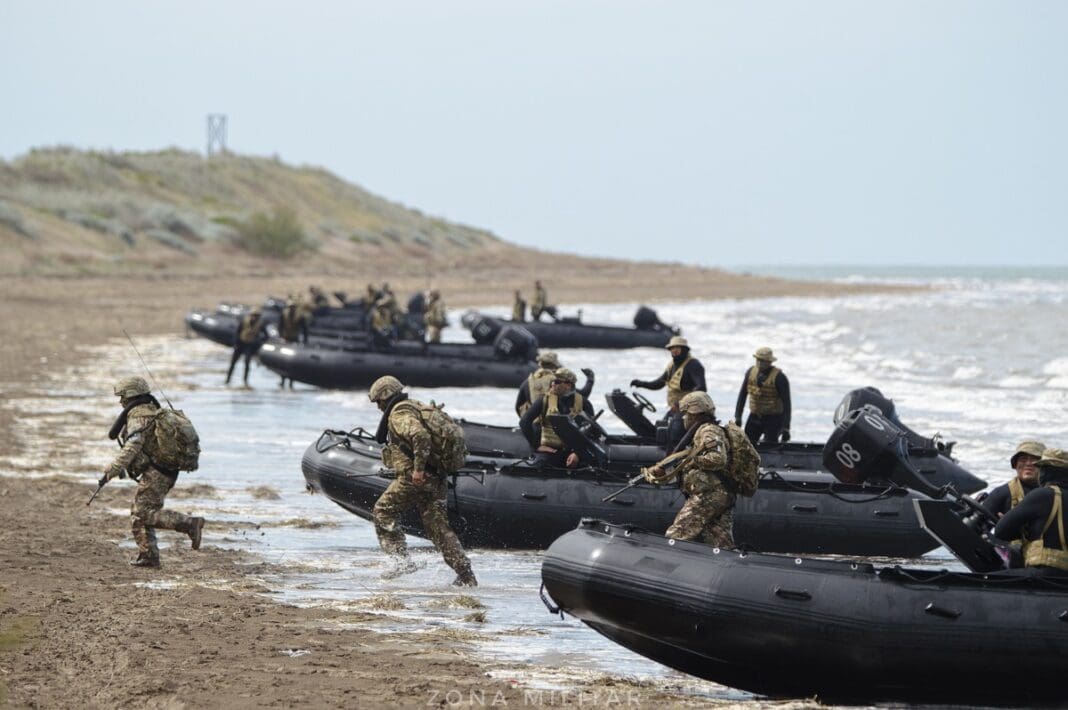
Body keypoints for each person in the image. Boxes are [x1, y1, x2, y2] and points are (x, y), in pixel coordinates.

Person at [368, 376, 477, 586]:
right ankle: (466, 575)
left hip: (415, 479)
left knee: (382, 510)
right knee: (439, 530)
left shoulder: (399, 413)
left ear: (385, 396)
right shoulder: (416, 406)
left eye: (378, 402)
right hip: (436, 478)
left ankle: (400, 561)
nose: (379, 407)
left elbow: (420, 436)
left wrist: (417, 470)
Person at [102, 376, 205, 568]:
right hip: (163, 470)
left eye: (122, 396)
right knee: (140, 511)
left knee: (143, 513)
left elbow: (133, 445)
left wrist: (114, 467)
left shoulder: (138, 415)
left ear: (130, 395)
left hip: (157, 472)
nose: (120, 401)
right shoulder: (150, 410)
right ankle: (148, 555)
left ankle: (189, 524)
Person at [642, 392, 757, 548]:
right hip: (721, 494)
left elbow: (718, 459)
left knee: (677, 535)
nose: (684, 419)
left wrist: (690, 461)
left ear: (693, 414)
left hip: (709, 495)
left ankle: (664, 565)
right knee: (721, 544)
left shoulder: (707, 431)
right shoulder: (708, 430)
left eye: (685, 415)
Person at [994, 447, 1068, 574]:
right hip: (1063, 580)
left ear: (1045, 471)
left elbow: (1001, 532)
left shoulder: (1041, 495)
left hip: (1042, 573)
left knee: (988, 580)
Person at [630, 335, 707, 448]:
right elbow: (659, 383)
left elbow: (701, 387)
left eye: (677, 348)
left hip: (688, 410)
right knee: (660, 429)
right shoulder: (672, 366)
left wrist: (682, 403)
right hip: (674, 409)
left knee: (675, 433)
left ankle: (673, 458)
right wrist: (641, 383)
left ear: (684, 350)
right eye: (672, 348)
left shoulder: (693, 365)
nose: (674, 351)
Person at [519, 368, 595, 468]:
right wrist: (536, 445)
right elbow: (524, 422)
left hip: (573, 453)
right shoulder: (544, 400)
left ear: (568, 385)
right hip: (550, 451)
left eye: (557, 382)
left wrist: (578, 453)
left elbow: (591, 432)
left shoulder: (583, 403)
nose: (553, 384)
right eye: (552, 381)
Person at [734, 347, 792, 445]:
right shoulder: (750, 373)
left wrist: (786, 427)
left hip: (774, 419)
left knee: (770, 446)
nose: (760, 363)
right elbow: (742, 395)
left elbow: (787, 404)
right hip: (754, 416)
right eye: (758, 360)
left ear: (770, 362)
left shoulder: (780, 378)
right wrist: (738, 416)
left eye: (763, 361)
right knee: (747, 446)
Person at [515, 352, 594, 417]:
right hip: (552, 426)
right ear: (555, 365)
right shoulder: (557, 381)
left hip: (533, 423)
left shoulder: (529, 381)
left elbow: (518, 406)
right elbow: (582, 396)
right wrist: (590, 379)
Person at [981, 440, 1046, 519]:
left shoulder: (1056, 495)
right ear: (1015, 464)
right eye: (1023, 459)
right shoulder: (1001, 494)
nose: (1028, 463)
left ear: (1044, 467)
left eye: (1035, 460)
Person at [225, 306, 266, 386]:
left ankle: (245, 381)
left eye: (256, 316)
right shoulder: (244, 321)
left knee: (247, 363)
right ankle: (227, 380)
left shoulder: (260, 324)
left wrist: (258, 342)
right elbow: (237, 332)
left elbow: (265, 335)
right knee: (233, 363)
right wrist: (236, 344)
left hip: (249, 345)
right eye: (254, 315)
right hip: (240, 344)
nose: (255, 317)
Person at [277, 296, 309, 389]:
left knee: (291, 362)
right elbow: (280, 326)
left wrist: (304, 341)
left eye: (293, 307)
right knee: (282, 361)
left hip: (295, 339)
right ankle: (282, 381)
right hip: (285, 339)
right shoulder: (284, 314)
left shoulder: (300, 316)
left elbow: (304, 329)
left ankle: (291, 382)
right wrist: (280, 337)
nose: (291, 308)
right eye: (290, 307)